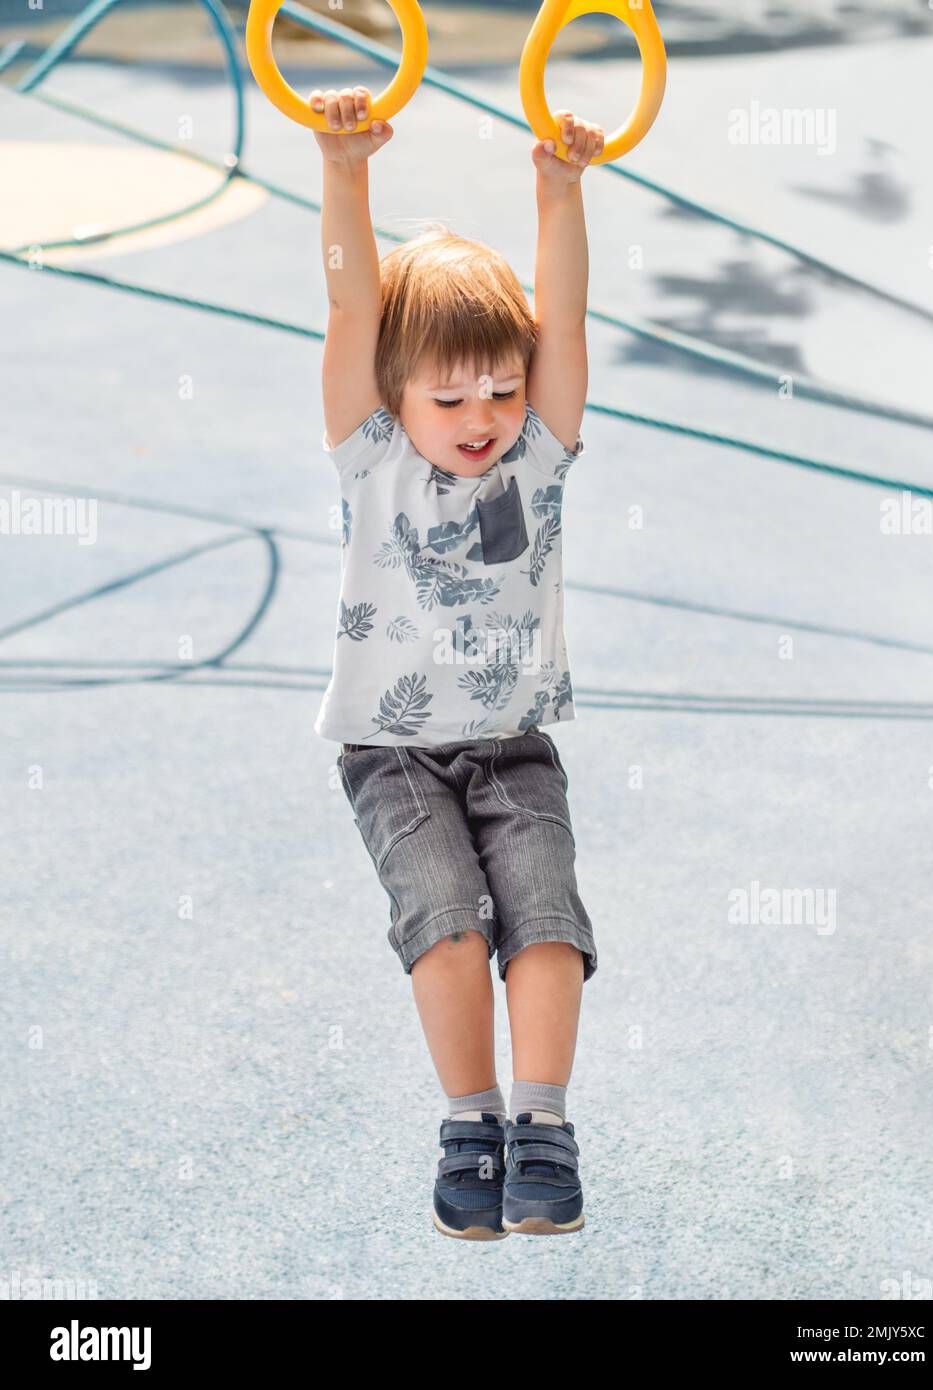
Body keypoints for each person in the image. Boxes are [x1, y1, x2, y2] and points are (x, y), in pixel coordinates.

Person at [310, 83, 601, 1238]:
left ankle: (543, 1124)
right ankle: (469, 1121)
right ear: (394, 393)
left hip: (512, 745)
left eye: (502, 385)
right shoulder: (372, 458)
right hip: (393, 751)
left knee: (548, 924)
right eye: (448, 393)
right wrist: (344, 174)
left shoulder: (535, 458)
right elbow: (347, 314)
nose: (481, 411)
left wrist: (561, 193)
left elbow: (565, 327)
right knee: (449, 922)